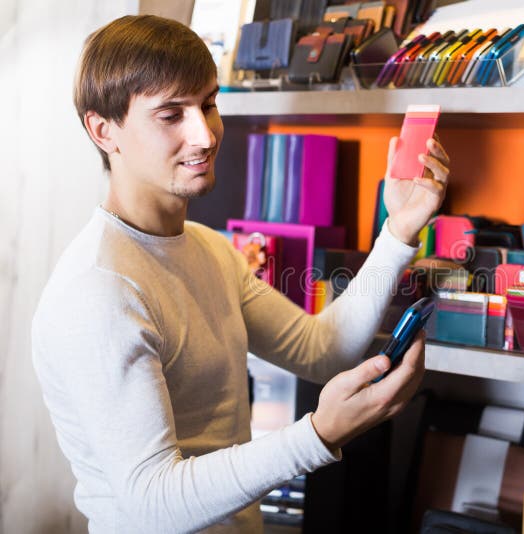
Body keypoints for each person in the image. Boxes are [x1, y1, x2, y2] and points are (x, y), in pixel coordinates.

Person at [31, 14, 450, 534]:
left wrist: (397, 234)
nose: (204, 135)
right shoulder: (100, 289)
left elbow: (323, 351)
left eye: (208, 103)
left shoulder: (210, 249)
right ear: (103, 130)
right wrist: (318, 435)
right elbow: (152, 502)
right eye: (170, 114)